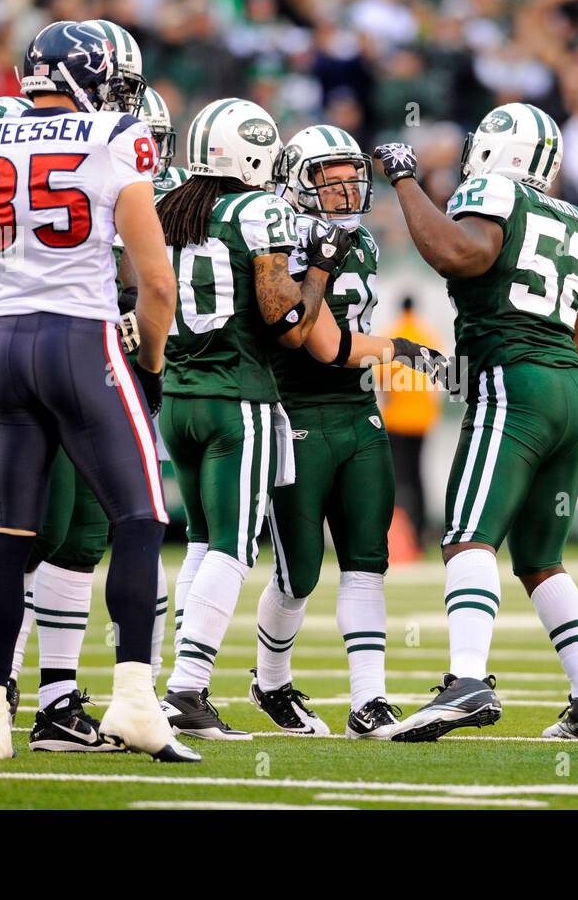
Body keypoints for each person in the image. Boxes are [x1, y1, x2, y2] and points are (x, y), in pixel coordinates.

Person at [0, 20, 192, 762]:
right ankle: (136, 700)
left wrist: (14, 279)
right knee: (142, 517)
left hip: (7, 345)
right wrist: (146, 365)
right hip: (81, 342)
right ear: (87, 78)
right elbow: (155, 282)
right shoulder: (115, 135)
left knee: (10, 536)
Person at [373, 103, 578, 741]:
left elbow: (462, 253)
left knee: (466, 536)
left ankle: (467, 682)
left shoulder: (491, 191)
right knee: (541, 559)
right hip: (567, 388)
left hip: (518, 385)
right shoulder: (575, 220)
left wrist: (406, 183)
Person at [155, 99, 349, 740]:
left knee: (201, 542)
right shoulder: (260, 211)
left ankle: (175, 683)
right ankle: (186, 689)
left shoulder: (172, 207)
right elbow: (287, 323)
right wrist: (319, 268)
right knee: (232, 548)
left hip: (179, 399)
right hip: (239, 399)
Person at [250, 124, 448, 739]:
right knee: (299, 571)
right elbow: (323, 346)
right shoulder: (281, 241)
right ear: (295, 182)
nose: (342, 191)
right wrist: (401, 349)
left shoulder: (360, 242)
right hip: (298, 412)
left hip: (359, 415)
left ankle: (370, 700)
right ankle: (271, 682)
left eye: (348, 178)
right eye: (325, 180)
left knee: (367, 559)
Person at [376, 296, 442, 546]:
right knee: (417, 476)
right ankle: (420, 530)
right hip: (422, 420)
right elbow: (438, 378)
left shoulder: (391, 336)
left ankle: (396, 534)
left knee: (397, 478)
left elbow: (381, 381)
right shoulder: (429, 336)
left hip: (397, 420)